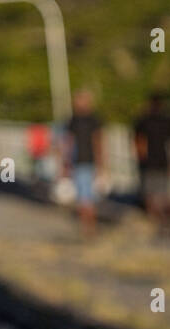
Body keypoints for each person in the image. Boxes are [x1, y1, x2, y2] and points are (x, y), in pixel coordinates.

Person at [133, 91, 170, 234]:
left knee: (152, 195)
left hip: (150, 163)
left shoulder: (143, 120)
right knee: (165, 195)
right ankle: (168, 223)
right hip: (162, 162)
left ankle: (159, 222)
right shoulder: (168, 120)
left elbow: (138, 143)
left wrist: (141, 158)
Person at [63, 90, 104, 238]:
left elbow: (98, 142)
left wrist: (101, 164)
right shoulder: (73, 120)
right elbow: (68, 143)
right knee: (83, 197)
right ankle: (87, 227)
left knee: (86, 198)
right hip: (77, 162)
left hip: (88, 162)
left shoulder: (93, 120)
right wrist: (66, 163)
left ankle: (89, 227)